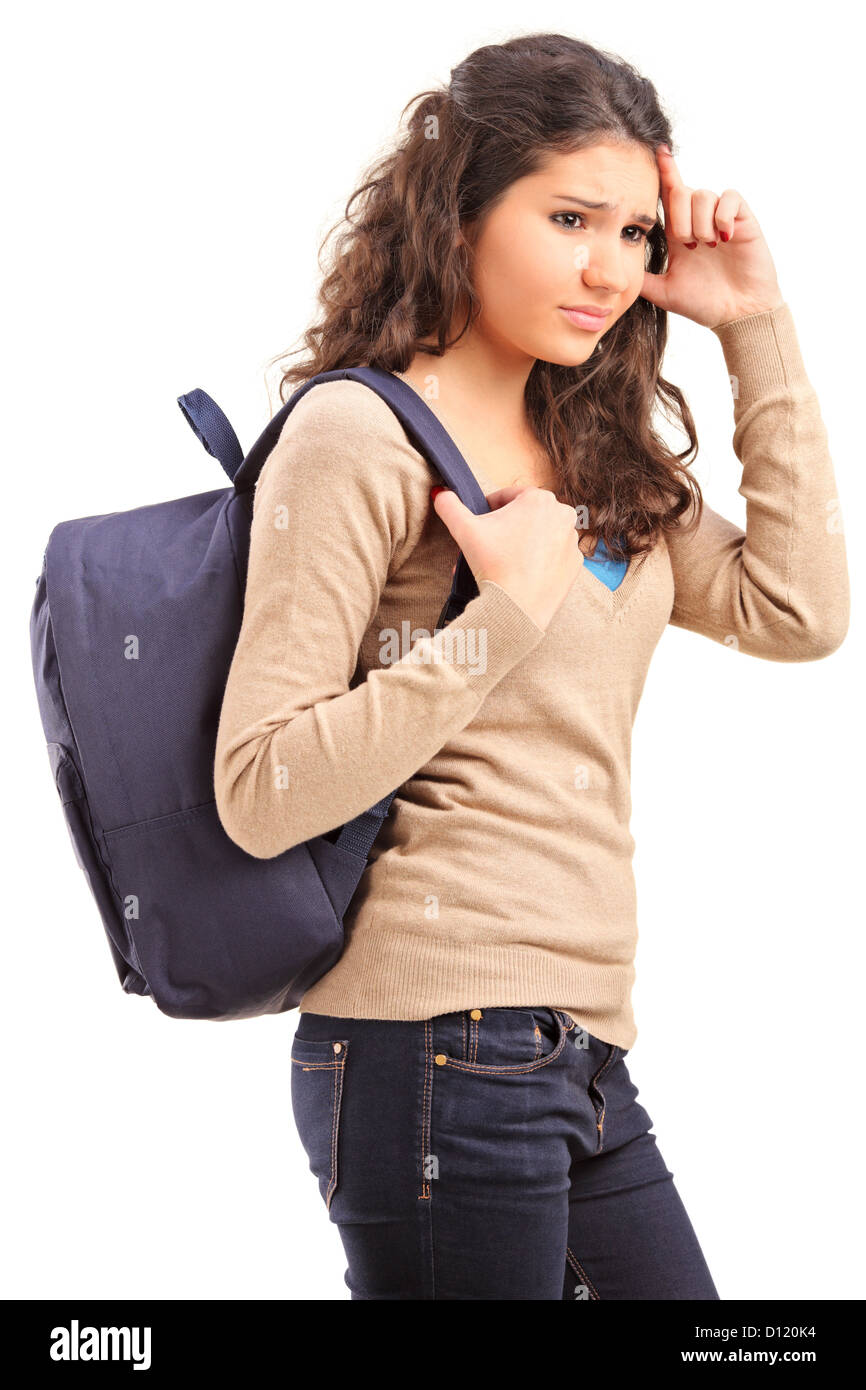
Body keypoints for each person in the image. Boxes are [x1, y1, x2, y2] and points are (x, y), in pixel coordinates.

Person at [213, 32, 849, 1299]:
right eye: (568, 218)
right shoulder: (358, 435)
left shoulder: (595, 447)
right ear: (458, 210)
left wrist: (753, 326)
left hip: (582, 1049)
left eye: (632, 235)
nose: (607, 269)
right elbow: (260, 782)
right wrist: (499, 616)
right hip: (430, 1046)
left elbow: (799, 608)